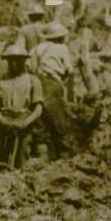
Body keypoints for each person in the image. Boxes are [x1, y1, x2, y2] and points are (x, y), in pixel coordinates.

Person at [0, 41, 43, 169]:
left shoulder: (33, 80)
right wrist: (3, 121)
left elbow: (38, 107)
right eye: (11, 60)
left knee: (22, 158)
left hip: (23, 120)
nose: (14, 64)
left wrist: (27, 122)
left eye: (17, 60)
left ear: (24, 61)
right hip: (4, 119)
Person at [28, 21, 77, 159]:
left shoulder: (36, 49)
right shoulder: (62, 48)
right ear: (60, 37)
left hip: (37, 82)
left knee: (40, 117)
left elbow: (30, 68)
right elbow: (69, 70)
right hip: (52, 83)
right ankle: (64, 154)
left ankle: (42, 153)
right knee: (59, 117)